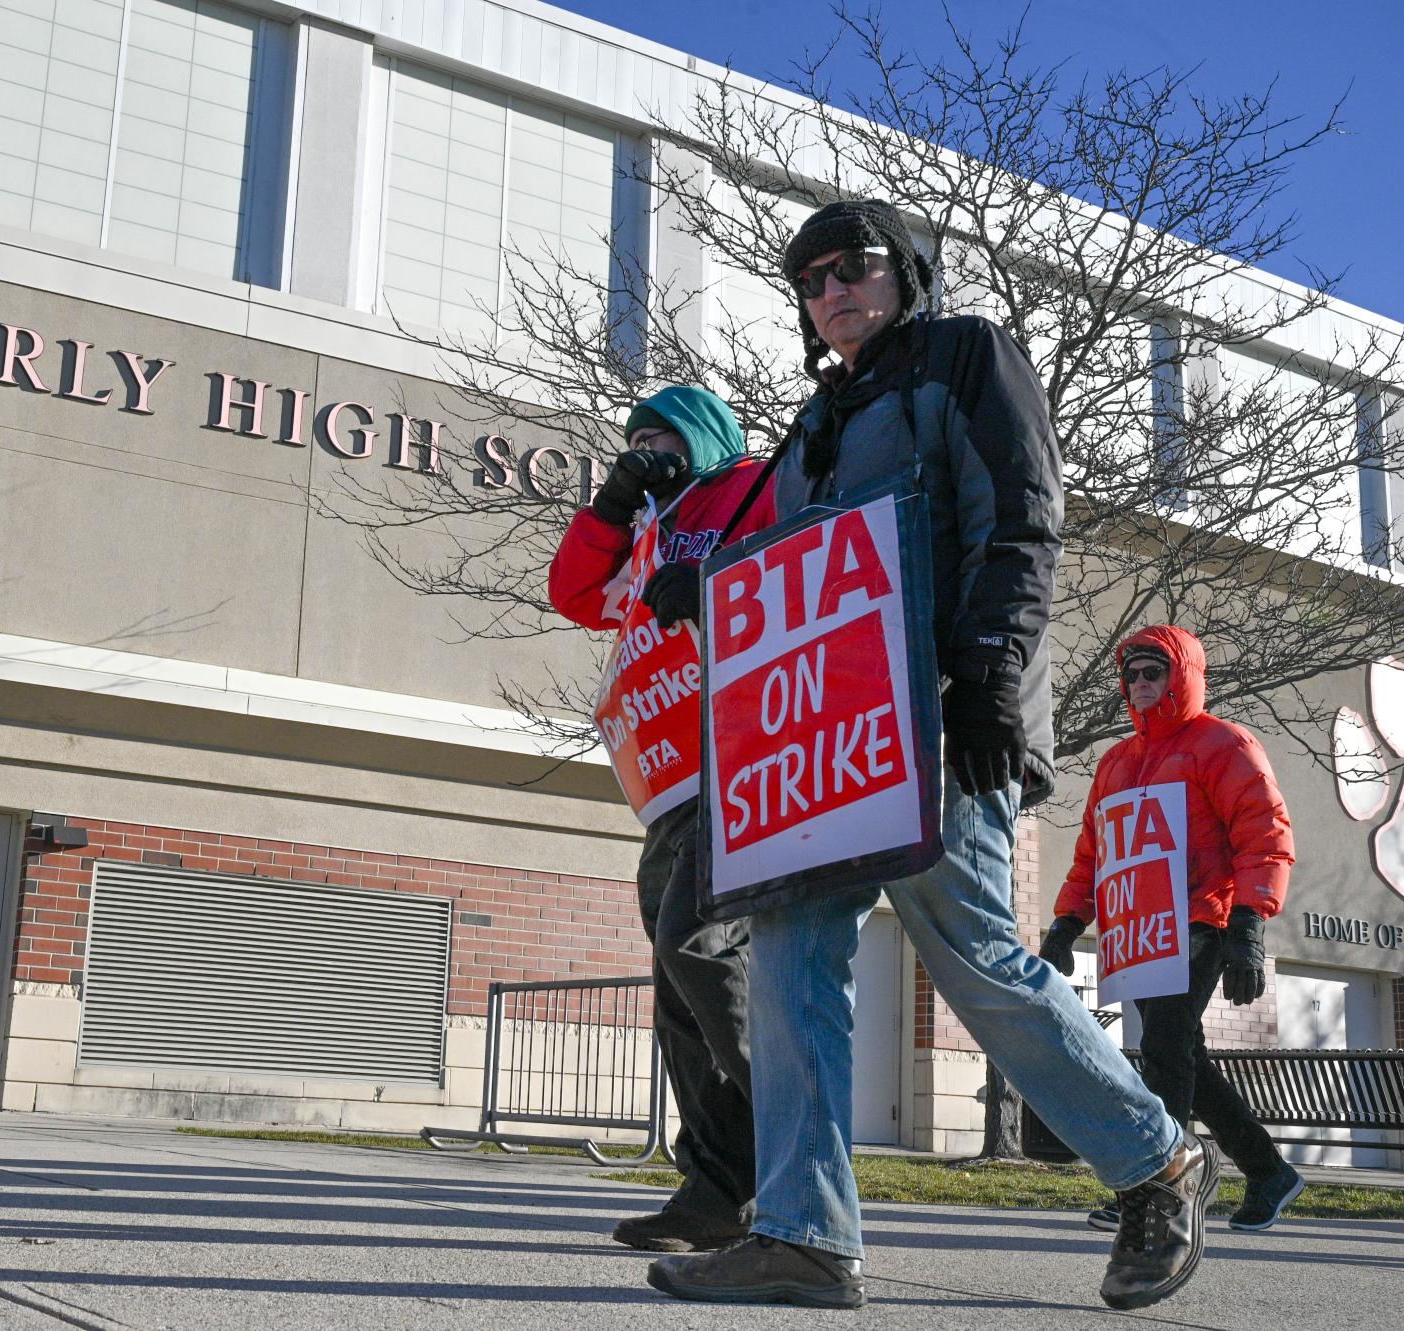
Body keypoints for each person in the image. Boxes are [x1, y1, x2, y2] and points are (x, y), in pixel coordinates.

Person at [644, 199, 1215, 1313]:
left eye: (851, 267)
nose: (832, 292)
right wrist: (709, 584)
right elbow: (806, 577)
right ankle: (804, 1231)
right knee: (792, 950)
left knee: (975, 958)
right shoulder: (814, 427)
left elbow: (1017, 515)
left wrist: (992, 673)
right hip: (833, 746)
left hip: (948, 717)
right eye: (810, 281)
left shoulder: (967, 357)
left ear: (903, 271)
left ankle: (1159, 1159)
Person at [549, 385, 776, 1252]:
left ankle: (795, 1147)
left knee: (700, 948)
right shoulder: (645, 532)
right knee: (678, 998)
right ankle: (717, 1189)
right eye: (636, 437)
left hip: (738, 759)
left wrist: (714, 576)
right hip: (669, 785)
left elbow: (799, 561)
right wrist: (610, 507)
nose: (648, 448)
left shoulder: (750, 487)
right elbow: (575, 593)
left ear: (707, 439)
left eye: (664, 436)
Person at [1044, 626, 1305, 1233]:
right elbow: (1094, 853)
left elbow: (1263, 833)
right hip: (1141, 926)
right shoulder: (1115, 761)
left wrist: (1248, 926)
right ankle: (1269, 1173)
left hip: (1202, 919)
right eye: (1132, 674)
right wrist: (1066, 922)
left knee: (1164, 1049)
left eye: (1153, 672)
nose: (1139, 685)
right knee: (1178, 1052)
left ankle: (1157, 1185)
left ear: (1181, 675)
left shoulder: (1224, 744)